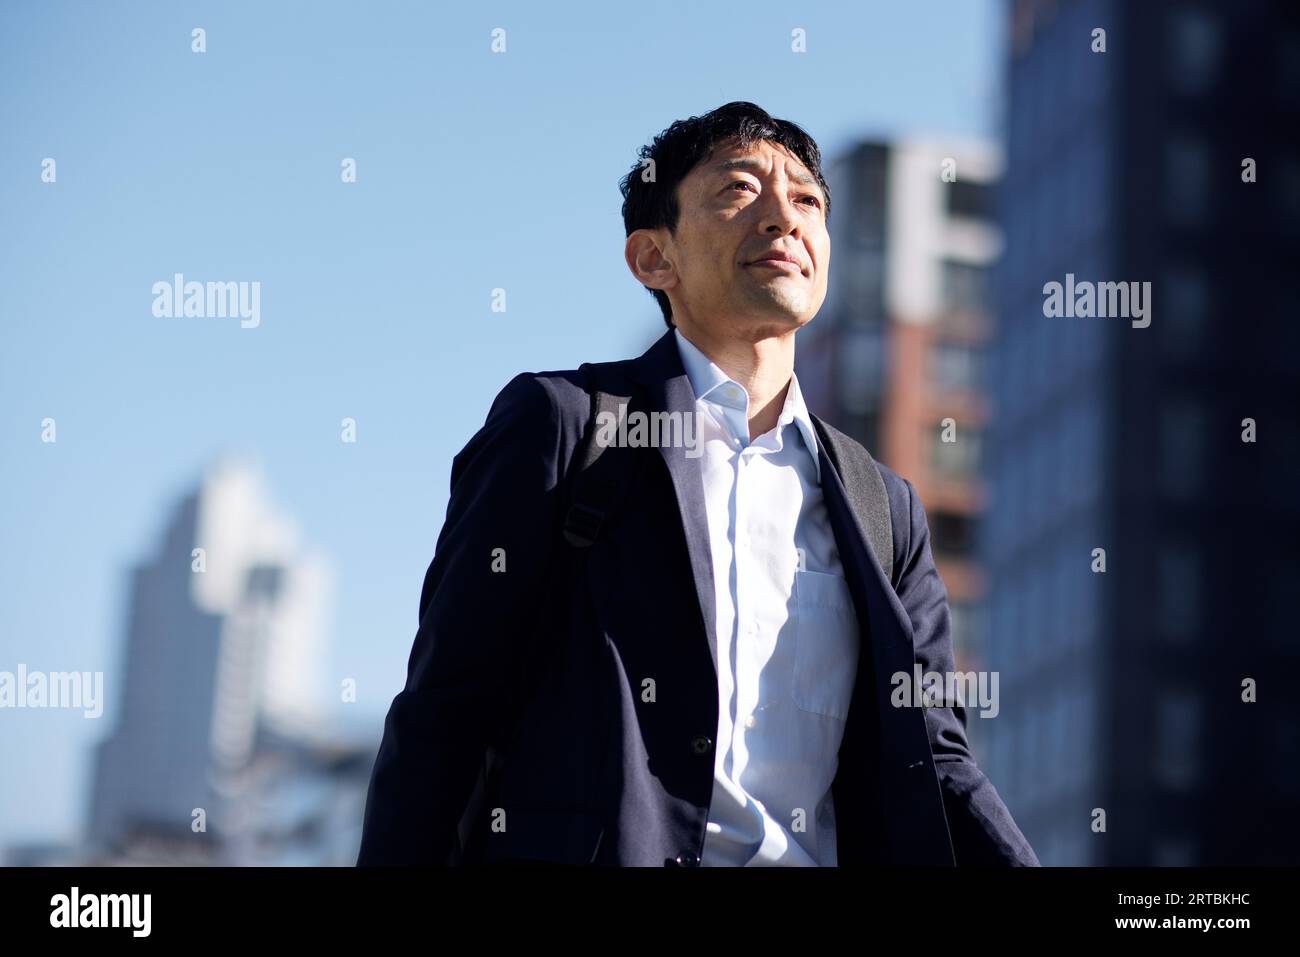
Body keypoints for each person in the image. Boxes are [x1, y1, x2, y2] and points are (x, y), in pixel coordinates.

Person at [356, 101, 1038, 867]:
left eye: (808, 200)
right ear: (655, 259)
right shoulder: (566, 427)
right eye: (738, 191)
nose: (784, 217)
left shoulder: (884, 506)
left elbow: (938, 756)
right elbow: (447, 708)